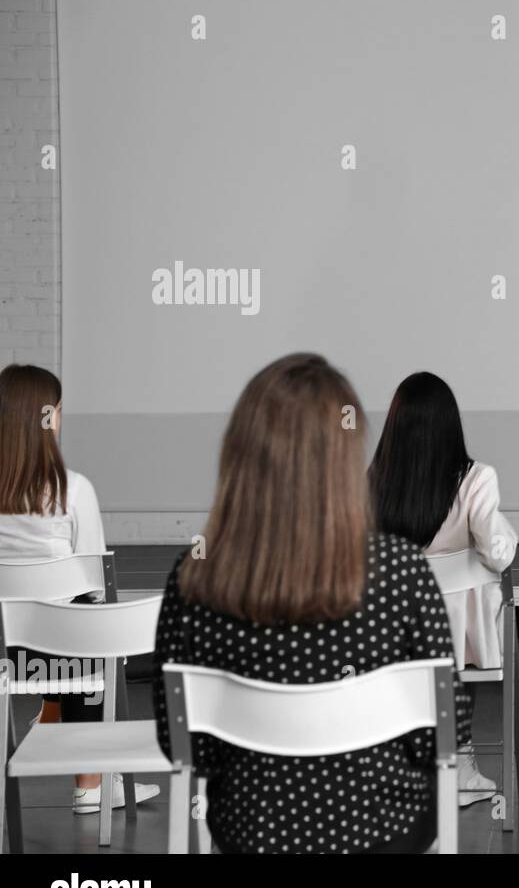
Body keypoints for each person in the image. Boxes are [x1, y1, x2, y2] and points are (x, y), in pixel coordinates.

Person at [150, 353, 471, 853]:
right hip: (385, 832)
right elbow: (447, 730)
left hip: (251, 832)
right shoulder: (402, 572)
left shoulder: (194, 574)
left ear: (241, 452)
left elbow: (185, 745)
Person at [0, 363, 161, 814]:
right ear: (49, 417)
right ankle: (91, 784)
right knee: (86, 628)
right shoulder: (72, 489)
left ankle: (50, 714)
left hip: (5, 652)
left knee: (42, 623)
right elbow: (94, 580)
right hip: (63, 652)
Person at [369, 371, 519, 807]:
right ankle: (459, 769)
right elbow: (498, 553)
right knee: (460, 649)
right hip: (462, 641)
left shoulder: (372, 482)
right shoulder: (477, 478)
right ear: (451, 425)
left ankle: (403, 772)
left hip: (393, 637)